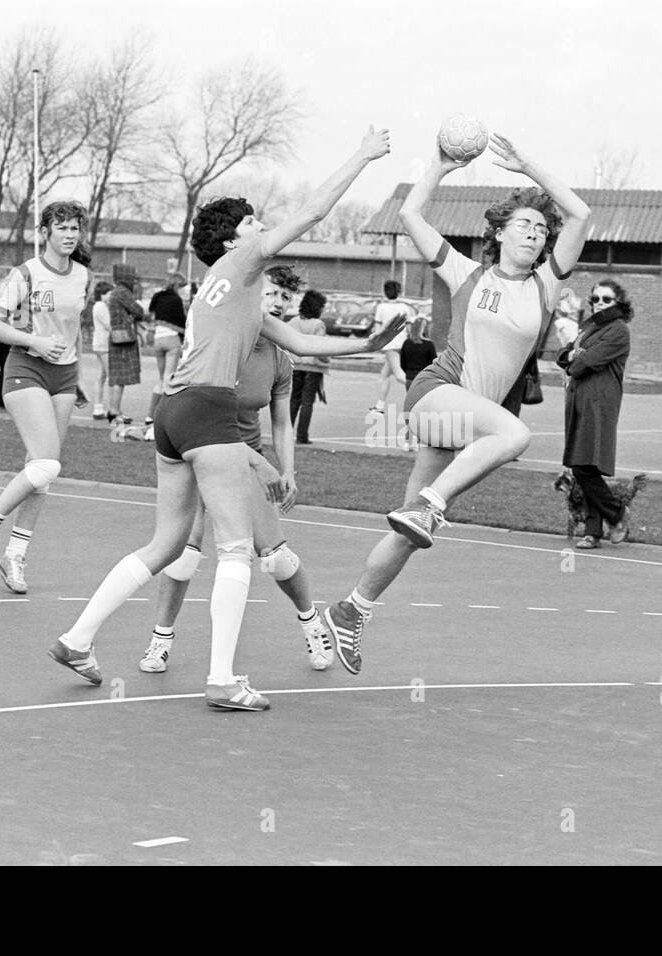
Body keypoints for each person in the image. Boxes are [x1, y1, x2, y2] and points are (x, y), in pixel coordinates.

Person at [47, 126, 401, 711]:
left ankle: (77, 638)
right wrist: (361, 154)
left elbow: (302, 346)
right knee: (237, 549)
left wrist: (371, 339)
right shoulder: (242, 262)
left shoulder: (231, 289)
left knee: (165, 543)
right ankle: (221, 681)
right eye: (253, 220)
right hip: (208, 411)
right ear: (235, 237)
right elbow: (314, 211)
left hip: (171, 414)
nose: (262, 227)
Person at [323, 133, 590, 674]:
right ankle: (430, 504)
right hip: (437, 393)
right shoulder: (466, 272)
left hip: (464, 424)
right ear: (498, 233)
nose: (536, 234)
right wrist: (439, 166)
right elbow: (413, 213)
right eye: (524, 225)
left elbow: (581, 213)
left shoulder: (546, 285)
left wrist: (529, 166)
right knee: (514, 435)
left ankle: (350, 610)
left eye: (541, 230)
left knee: (407, 535)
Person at [139, 265, 336, 675]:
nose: (278, 303)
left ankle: (313, 622)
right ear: (253, 296)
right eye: (271, 294)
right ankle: (160, 640)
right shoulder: (224, 342)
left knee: (277, 559)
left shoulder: (281, 360)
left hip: (246, 459)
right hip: (199, 451)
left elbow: (282, 424)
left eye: (285, 297)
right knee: (182, 554)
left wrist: (289, 472)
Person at [0, 200, 93, 594]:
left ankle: (15, 557)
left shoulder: (84, 275)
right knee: (46, 464)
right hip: (26, 370)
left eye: (75, 228)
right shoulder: (25, 274)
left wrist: (79, 376)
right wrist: (34, 339)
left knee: (42, 474)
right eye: (62, 227)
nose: (70, 234)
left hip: (65, 377)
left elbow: (76, 330)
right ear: (45, 232)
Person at [557, 280, 633, 549]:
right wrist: (573, 356)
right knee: (583, 465)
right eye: (596, 298)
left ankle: (617, 513)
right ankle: (592, 531)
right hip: (579, 400)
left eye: (606, 299)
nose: (599, 303)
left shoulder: (618, 331)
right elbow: (563, 355)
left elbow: (583, 364)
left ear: (618, 303)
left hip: (598, 403)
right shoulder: (590, 326)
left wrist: (576, 357)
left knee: (583, 465)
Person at [366, 279, 416, 420]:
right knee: (384, 375)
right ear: (399, 292)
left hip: (389, 344)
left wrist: (375, 343)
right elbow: (409, 327)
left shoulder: (382, 307)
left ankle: (420, 392)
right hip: (403, 343)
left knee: (400, 375)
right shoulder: (405, 307)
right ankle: (379, 407)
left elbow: (377, 328)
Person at [287, 288, 330, 444]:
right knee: (307, 402)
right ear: (317, 307)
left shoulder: (293, 322)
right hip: (313, 367)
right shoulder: (318, 324)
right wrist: (326, 361)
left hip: (296, 366)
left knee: (294, 399)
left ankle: (286, 433)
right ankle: (302, 436)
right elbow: (320, 347)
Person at [145, 273, 188, 428]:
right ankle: (163, 419)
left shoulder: (157, 296)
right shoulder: (176, 300)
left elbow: (150, 314)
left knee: (161, 380)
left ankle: (150, 416)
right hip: (172, 341)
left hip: (158, 340)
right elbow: (183, 322)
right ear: (177, 285)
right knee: (169, 380)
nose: (183, 291)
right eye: (182, 287)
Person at [104, 263, 143, 424]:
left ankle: (114, 410)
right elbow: (139, 311)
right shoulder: (123, 292)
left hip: (115, 337)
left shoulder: (115, 292)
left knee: (116, 377)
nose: (133, 279)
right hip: (124, 339)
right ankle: (114, 411)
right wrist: (134, 316)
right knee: (120, 378)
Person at [397, 316, 437, 451]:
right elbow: (433, 364)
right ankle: (420, 441)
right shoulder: (429, 345)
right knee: (424, 412)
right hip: (424, 380)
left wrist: (409, 372)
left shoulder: (407, 343)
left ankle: (407, 441)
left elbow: (402, 363)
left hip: (410, 379)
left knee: (411, 410)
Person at [87, 280, 113, 418]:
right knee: (111, 376)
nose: (111, 296)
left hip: (101, 344)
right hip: (104, 345)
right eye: (109, 294)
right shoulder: (101, 306)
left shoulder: (101, 306)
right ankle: (112, 409)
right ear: (102, 295)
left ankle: (98, 408)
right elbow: (109, 325)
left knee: (101, 376)